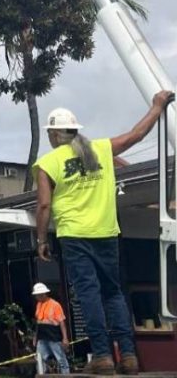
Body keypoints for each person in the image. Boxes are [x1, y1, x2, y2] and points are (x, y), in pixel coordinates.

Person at [34, 90, 174, 375]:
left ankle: (102, 356)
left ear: (54, 135)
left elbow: (44, 204)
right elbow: (136, 134)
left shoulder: (48, 163)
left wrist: (41, 239)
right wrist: (157, 106)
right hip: (107, 232)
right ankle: (129, 356)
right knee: (113, 293)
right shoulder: (101, 148)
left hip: (74, 235)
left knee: (89, 293)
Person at [32, 282, 70, 374]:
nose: (36, 297)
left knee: (60, 358)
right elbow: (38, 322)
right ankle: (42, 375)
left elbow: (61, 322)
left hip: (53, 336)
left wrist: (65, 338)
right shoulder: (38, 304)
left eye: (37, 295)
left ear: (43, 294)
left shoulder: (55, 305)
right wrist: (35, 337)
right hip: (42, 336)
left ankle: (66, 375)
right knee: (40, 358)